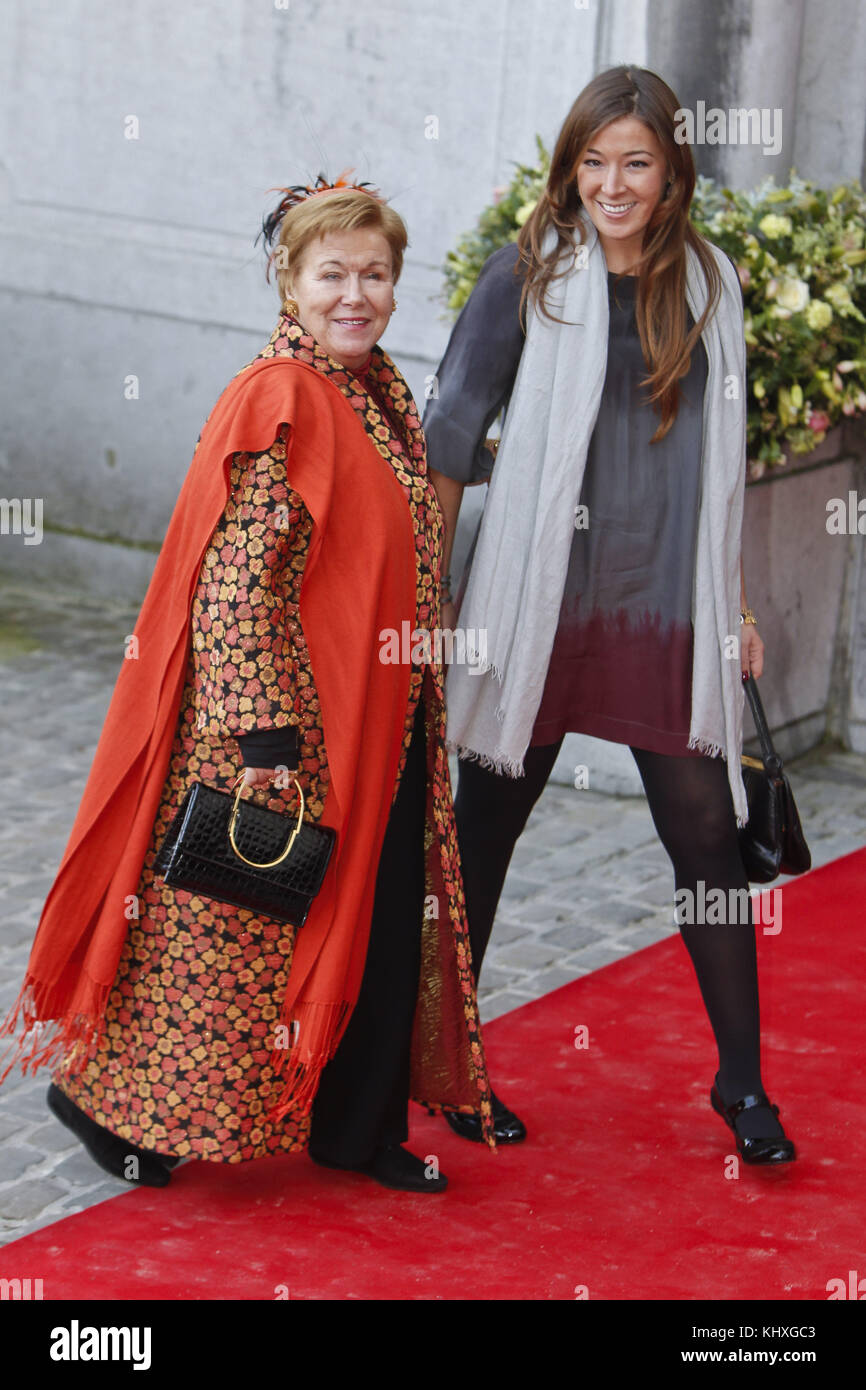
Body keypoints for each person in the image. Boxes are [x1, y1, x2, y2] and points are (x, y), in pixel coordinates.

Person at [0, 174, 494, 1194]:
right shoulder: (282, 396)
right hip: (288, 732)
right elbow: (235, 582)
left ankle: (357, 1129)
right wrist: (261, 736)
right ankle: (108, 1109)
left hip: (380, 714)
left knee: (380, 914)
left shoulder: (371, 385)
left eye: (374, 273)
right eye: (331, 274)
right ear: (288, 279)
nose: (353, 293)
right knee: (225, 948)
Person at [425, 67, 796, 1164]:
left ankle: (740, 1085)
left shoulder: (709, 285)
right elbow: (449, 439)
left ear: (672, 168)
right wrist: (430, 597)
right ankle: (445, 1063)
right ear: (568, 167)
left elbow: (712, 466)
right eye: (592, 161)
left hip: (654, 601)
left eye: (633, 161)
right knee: (483, 832)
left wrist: (728, 601)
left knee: (705, 838)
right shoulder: (526, 276)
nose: (610, 183)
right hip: (536, 598)